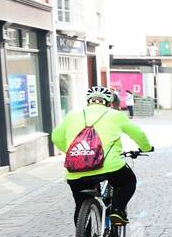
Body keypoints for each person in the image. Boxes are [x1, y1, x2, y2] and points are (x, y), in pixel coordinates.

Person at [50, 86, 153, 225]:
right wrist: (146, 148)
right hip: (110, 166)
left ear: (88, 101)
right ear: (108, 102)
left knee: (80, 204)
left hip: (76, 170)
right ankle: (117, 210)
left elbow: (56, 138)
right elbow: (138, 133)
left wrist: (75, 153)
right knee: (128, 182)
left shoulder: (72, 115)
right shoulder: (115, 115)